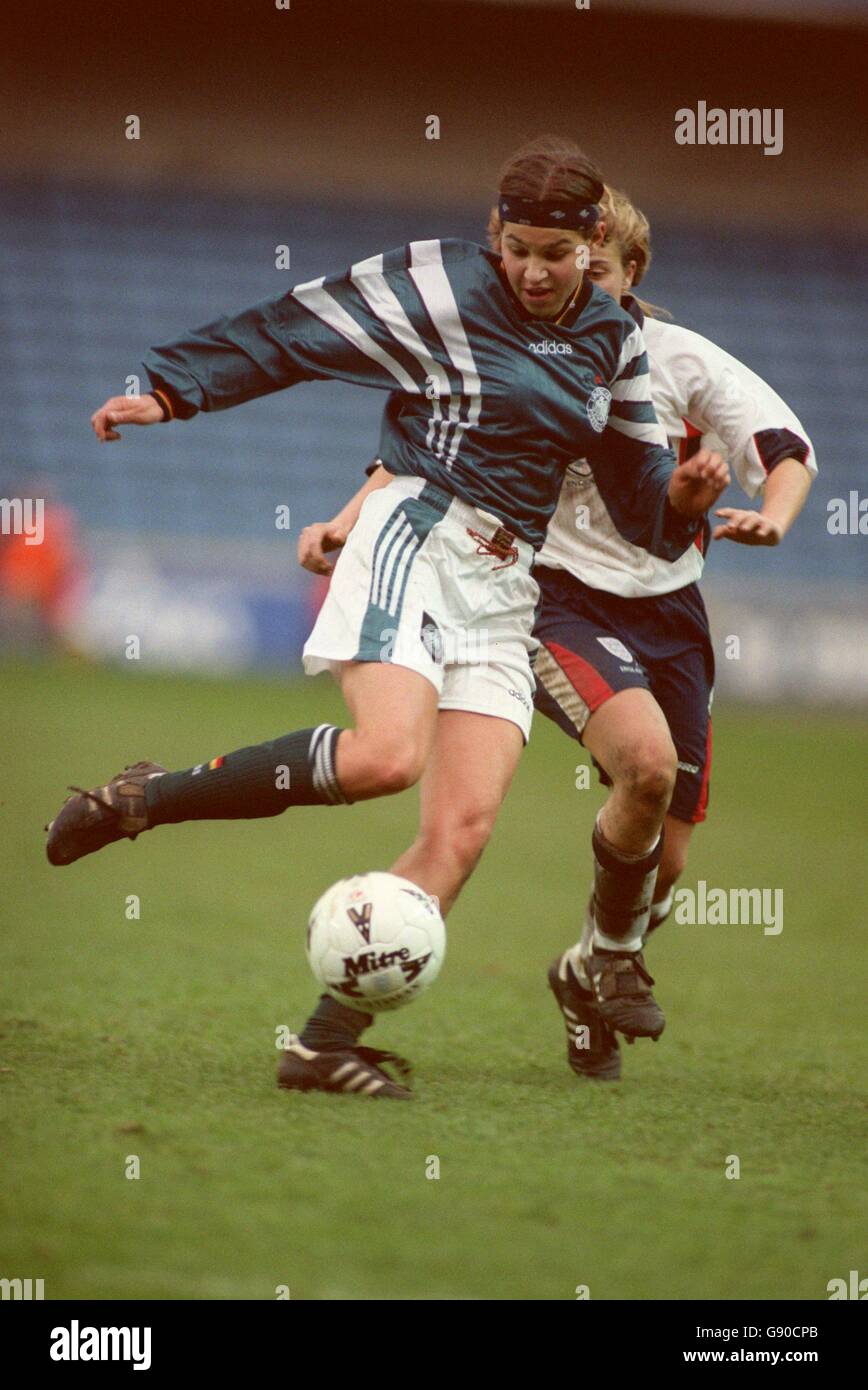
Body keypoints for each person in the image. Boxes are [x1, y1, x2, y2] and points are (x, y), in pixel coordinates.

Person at [45, 138, 728, 1099]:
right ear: (496, 233)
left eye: (555, 253)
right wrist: (172, 388)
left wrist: (688, 497)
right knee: (385, 758)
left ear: (595, 241)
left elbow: (639, 489)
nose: (531, 271)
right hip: (418, 531)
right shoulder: (436, 282)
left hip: (506, 589)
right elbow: (293, 330)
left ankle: (324, 1042)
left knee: (462, 830)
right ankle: (143, 799)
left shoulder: (613, 340)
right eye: (517, 246)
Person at [313, 183, 815, 1084]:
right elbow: (424, 448)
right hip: (552, 598)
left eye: (598, 271)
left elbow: (784, 444)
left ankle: (587, 969)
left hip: (672, 614)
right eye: (562, 267)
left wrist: (773, 515)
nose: (579, 288)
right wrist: (351, 515)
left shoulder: (680, 360)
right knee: (642, 768)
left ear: (628, 272)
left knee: (663, 863)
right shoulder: (524, 352)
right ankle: (342, 1030)